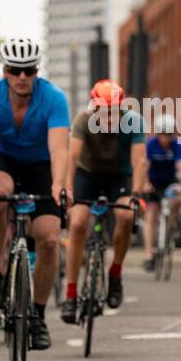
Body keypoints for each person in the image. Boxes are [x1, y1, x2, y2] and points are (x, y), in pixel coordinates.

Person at [0, 37, 70, 349]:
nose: (22, 77)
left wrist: (58, 185)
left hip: (41, 164)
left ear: (37, 70)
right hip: (5, 162)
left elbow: (59, 151)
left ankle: (38, 317)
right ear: (5, 71)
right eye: (16, 70)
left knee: (50, 239)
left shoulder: (54, 99)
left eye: (29, 70)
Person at [60, 80, 145, 324]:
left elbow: (139, 161)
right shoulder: (83, 121)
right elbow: (72, 156)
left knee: (126, 216)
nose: (109, 118)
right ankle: (71, 293)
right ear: (94, 109)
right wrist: (67, 188)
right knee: (77, 225)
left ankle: (115, 273)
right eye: (104, 113)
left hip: (119, 176)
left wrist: (136, 194)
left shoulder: (134, 122)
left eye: (115, 113)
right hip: (88, 175)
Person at [142, 113, 181, 272]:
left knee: (177, 199)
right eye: (163, 134)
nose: (166, 138)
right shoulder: (151, 144)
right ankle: (149, 254)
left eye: (169, 135)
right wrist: (146, 183)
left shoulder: (177, 145)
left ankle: (171, 224)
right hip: (153, 182)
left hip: (169, 182)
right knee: (151, 215)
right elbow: (144, 167)